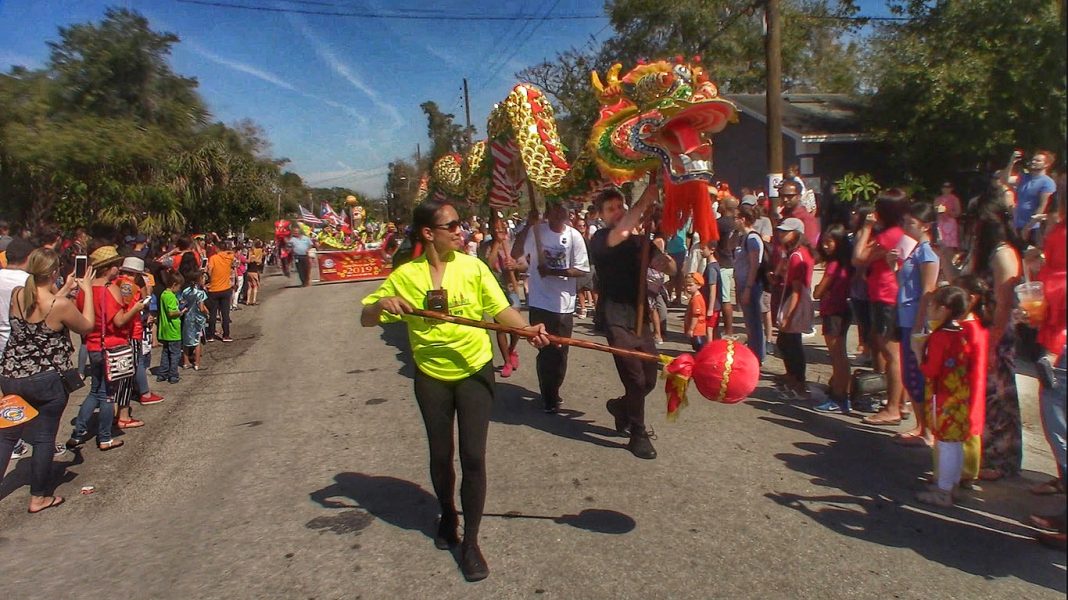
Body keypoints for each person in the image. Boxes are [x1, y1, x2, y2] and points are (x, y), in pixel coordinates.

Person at [360, 199, 549, 582]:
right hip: (431, 376)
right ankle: (448, 512)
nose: (461, 231)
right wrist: (383, 303)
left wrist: (526, 330)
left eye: (460, 224)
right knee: (441, 454)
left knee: (473, 457)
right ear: (429, 233)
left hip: (475, 372)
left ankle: (472, 542)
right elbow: (366, 317)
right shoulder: (406, 274)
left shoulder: (474, 267)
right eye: (453, 225)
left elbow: (501, 311)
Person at [0, 249, 95, 513]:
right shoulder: (59, 305)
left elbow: (41, 312)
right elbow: (86, 325)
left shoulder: (18, 296)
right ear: (53, 272)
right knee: (44, 438)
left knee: (7, 437)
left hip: (11, 375)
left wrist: (63, 288)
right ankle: (38, 497)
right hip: (45, 379)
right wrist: (85, 290)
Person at [590, 181, 676, 460]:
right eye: (610, 209)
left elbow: (669, 266)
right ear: (601, 215)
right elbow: (620, 234)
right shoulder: (601, 239)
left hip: (640, 317)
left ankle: (620, 407)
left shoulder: (642, 241)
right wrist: (644, 200)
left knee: (650, 379)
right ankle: (637, 433)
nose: (616, 212)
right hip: (615, 316)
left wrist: (669, 264)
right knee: (635, 379)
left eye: (620, 207)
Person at [511, 203, 590, 413]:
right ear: (548, 213)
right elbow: (516, 253)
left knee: (561, 352)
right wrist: (528, 224)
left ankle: (553, 387)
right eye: (554, 210)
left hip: (563, 304)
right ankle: (549, 394)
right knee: (545, 349)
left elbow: (582, 270)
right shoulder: (536, 231)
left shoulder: (574, 237)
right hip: (540, 301)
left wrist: (555, 271)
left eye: (562, 211)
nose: (558, 214)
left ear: (567, 214)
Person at [968, 201, 1024, 481]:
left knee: (999, 396)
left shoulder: (1003, 254)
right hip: (985, 330)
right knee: (986, 395)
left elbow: (1003, 304)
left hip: (998, 333)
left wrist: (992, 343)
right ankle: (987, 453)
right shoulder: (988, 253)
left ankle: (1003, 459)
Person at [1023, 192, 1066, 548]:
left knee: (1061, 429)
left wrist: (1054, 348)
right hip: (1054, 340)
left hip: (1061, 347)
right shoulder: (1057, 232)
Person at [916, 286, 980, 507]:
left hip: (942, 397)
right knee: (956, 443)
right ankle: (952, 484)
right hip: (961, 396)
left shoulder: (939, 337)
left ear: (943, 309)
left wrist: (919, 355)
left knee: (945, 444)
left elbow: (931, 370)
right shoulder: (963, 332)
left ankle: (944, 491)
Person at [854, 189, 909, 426]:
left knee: (891, 354)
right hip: (883, 294)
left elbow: (858, 257)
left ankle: (893, 407)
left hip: (887, 296)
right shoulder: (894, 232)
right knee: (889, 351)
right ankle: (902, 403)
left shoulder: (890, 235)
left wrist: (866, 229)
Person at [67, 245, 127, 451]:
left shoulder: (84, 291)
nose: (118, 269)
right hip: (111, 346)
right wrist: (136, 308)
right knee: (108, 394)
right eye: (116, 266)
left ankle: (78, 432)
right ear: (109, 268)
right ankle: (105, 437)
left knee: (95, 390)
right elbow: (118, 321)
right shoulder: (111, 289)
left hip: (92, 345)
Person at [894, 202, 941, 447]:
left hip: (915, 319)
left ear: (925, 225)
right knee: (909, 374)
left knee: (916, 375)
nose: (906, 226)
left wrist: (919, 324)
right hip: (904, 315)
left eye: (911, 222)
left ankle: (928, 430)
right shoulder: (914, 251)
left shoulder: (927, 253)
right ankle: (921, 425)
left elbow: (928, 290)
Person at [813, 224, 853, 412]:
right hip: (841, 311)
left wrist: (818, 291)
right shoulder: (846, 263)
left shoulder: (834, 264)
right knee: (839, 356)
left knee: (838, 357)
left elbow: (818, 292)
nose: (826, 246)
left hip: (833, 312)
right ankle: (840, 393)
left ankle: (839, 397)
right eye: (825, 242)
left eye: (830, 242)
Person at [774, 218, 815, 399]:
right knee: (786, 342)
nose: (781, 234)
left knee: (791, 343)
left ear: (797, 233)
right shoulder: (796, 253)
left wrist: (788, 316)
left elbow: (797, 290)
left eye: (786, 231)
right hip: (793, 297)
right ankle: (793, 378)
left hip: (794, 300)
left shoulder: (797, 256)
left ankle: (798, 383)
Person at [479, 214, 521, 377]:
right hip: (495, 290)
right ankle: (507, 361)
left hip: (511, 288)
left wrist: (515, 265)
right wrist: (496, 243)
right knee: (501, 327)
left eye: (501, 228)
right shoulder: (485, 246)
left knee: (517, 327)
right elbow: (487, 265)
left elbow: (523, 264)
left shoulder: (511, 244)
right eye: (495, 228)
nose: (498, 231)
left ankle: (512, 350)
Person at [734, 205, 767, 364]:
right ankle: (754, 353)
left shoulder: (753, 238)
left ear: (743, 219)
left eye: (736, 218)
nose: (734, 221)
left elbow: (755, 265)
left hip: (751, 286)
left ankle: (757, 356)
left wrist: (747, 288)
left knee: (754, 323)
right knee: (749, 321)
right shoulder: (743, 237)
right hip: (744, 285)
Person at [1004, 149, 1056, 243]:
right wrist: (1012, 162)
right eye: (1033, 159)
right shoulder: (1024, 177)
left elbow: (1042, 207)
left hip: (1033, 228)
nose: (1033, 162)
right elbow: (1005, 180)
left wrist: (1028, 227)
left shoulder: (1047, 182)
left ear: (1046, 164)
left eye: (1038, 160)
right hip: (1017, 225)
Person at [156, 270, 186, 384]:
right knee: (175, 354)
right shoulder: (171, 296)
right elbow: (172, 313)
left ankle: (162, 374)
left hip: (164, 330)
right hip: (173, 330)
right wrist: (182, 311)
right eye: (179, 287)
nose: (179, 289)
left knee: (165, 352)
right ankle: (173, 375)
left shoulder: (163, 294)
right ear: (174, 285)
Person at [716, 197, 740, 338]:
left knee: (725, 299)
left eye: (721, 203)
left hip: (723, 263)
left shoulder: (720, 223)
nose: (718, 205)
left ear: (725, 207)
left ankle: (729, 331)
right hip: (733, 262)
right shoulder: (737, 223)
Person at [205, 241, 235, 342]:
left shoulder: (213, 258)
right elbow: (232, 252)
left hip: (214, 288)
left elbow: (209, 270)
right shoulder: (229, 257)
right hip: (226, 288)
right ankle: (226, 335)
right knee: (225, 313)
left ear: (217, 248)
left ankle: (211, 335)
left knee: (213, 313)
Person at [180, 270, 209, 370]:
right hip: (198, 319)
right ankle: (197, 363)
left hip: (188, 317)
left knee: (186, 340)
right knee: (197, 340)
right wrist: (206, 312)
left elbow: (182, 302)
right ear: (199, 280)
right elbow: (201, 307)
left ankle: (186, 362)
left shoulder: (186, 291)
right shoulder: (200, 293)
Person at [934, 181, 962, 280]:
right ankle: (940, 269)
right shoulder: (938, 199)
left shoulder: (955, 199)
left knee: (950, 247)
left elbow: (958, 213)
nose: (946, 188)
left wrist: (948, 211)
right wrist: (940, 211)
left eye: (948, 186)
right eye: (944, 186)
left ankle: (950, 268)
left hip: (950, 223)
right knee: (940, 246)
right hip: (941, 223)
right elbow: (936, 212)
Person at [699, 243, 721, 339]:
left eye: (703, 248)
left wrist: (710, 309)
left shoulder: (712, 268)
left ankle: (709, 350)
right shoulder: (713, 265)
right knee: (713, 329)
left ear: (712, 250)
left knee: (709, 329)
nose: (701, 251)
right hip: (714, 305)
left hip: (712, 306)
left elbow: (713, 289)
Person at [684, 272, 708, 351]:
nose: (688, 288)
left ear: (698, 285)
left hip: (697, 330)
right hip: (697, 329)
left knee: (699, 346)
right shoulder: (694, 297)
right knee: (697, 347)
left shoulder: (696, 299)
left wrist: (691, 329)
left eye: (690, 285)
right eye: (686, 285)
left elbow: (695, 316)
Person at [246, 240, 264, 305]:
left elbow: (248, 260)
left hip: (248, 272)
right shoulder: (256, 260)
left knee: (249, 287)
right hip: (254, 272)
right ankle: (254, 300)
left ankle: (247, 301)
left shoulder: (249, 260)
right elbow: (260, 262)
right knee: (255, 286)